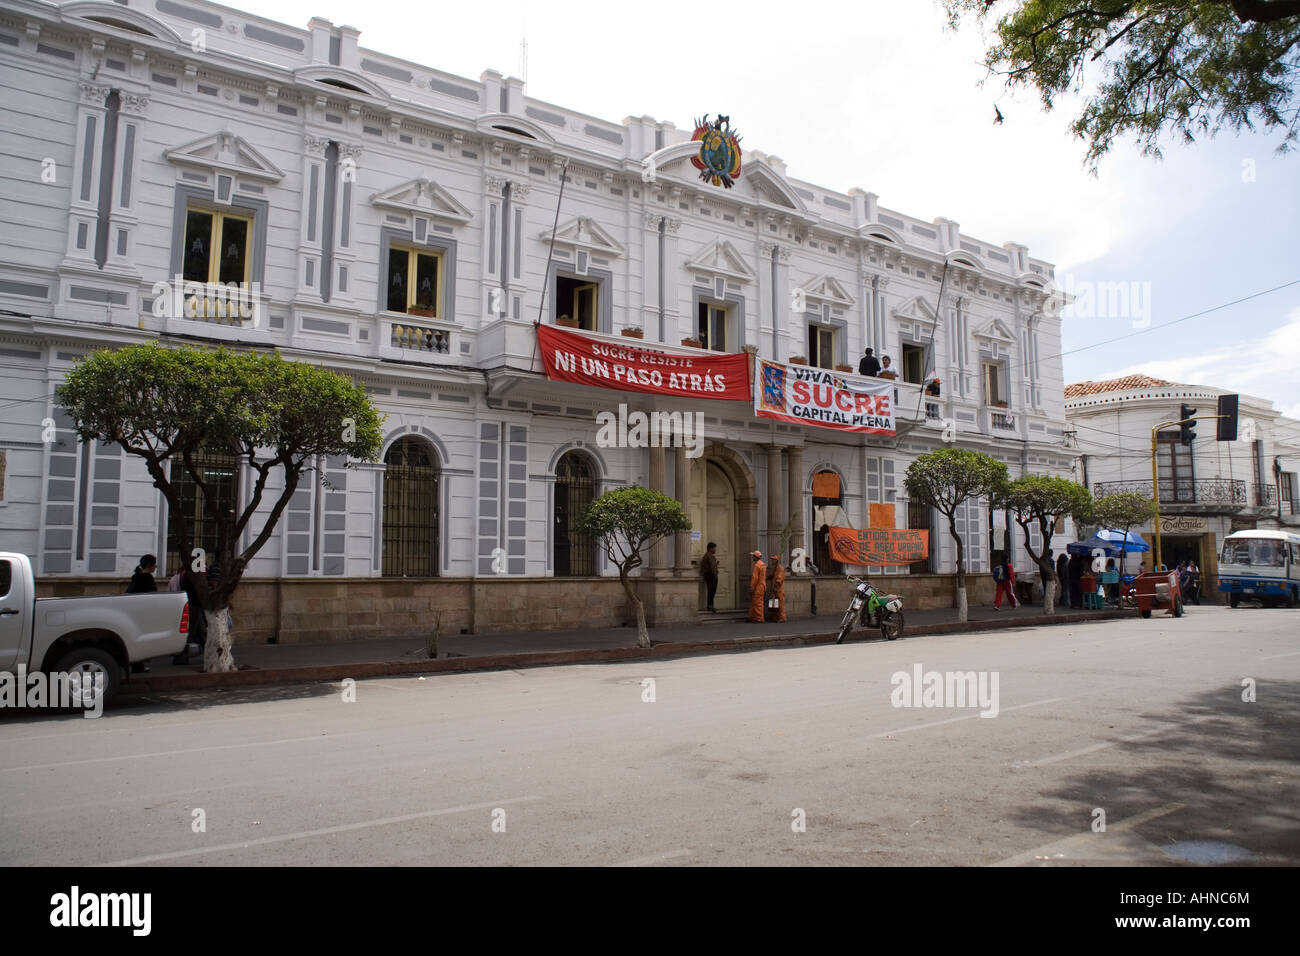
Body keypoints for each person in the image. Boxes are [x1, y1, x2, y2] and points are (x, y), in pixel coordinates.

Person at [766, 554, 787, 622]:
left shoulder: (780, 568)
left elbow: (779, 579)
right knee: (774, 604)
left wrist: (775, 588)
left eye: (773, 559)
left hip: (778, 589)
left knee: (780, 604)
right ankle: (775, 617)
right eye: (772, 559)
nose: (772, 561)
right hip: (774, 589)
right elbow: (772, 575)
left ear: (776, 561)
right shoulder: (775, 568)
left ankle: (782, 618)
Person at [700, 541, 719, 613]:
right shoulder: (709, 556)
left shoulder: (708, 555)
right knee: (712, 591)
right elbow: (712, 566)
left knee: (711, 591)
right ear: (710, 548)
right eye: (714, 548)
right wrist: (715, 574)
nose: (715, 550)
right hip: (711, 575)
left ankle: (710, 605)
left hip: (709, 575)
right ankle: (710, 606)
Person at [748, 551, 767, 624]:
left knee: (757, 603)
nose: (752, 557)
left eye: (753, 556)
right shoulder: (762, 565)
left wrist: (752, 588)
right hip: (762, 585)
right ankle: (752, 617)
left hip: (758, 587)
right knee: (755, 602)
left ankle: (759, 618)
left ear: (756, 557)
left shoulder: (757, 566)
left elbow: (755, 578)